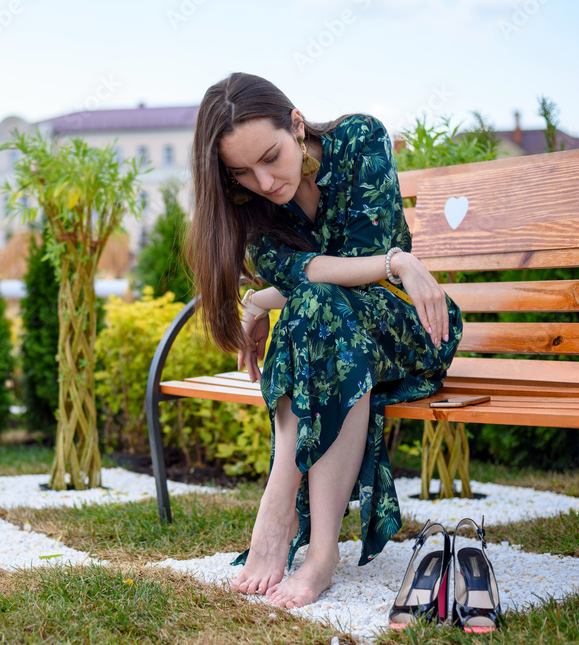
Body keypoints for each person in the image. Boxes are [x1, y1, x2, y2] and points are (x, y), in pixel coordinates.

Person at [186, 73, 463, 609]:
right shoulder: (248, 207)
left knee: (315, 307)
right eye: (242, 172)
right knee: (317, 309)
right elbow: (310, 277)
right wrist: (280, 292)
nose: (264, 181)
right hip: (333, 337)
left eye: (271, 156)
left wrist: (391, 262)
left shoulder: (360, 140)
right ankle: (319, 553)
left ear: (295, 123)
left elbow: (368, 264)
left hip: (410, 331)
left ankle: (278, 508)